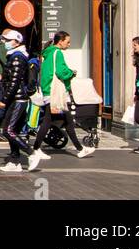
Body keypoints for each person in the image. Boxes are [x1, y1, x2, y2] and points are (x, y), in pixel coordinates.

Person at [31, 31, 95, 162]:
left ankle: (80, 149)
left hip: (49, 90)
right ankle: (36, 149)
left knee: (66, 121)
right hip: (55, 92)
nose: (69, 44)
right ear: (60, 41)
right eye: (67, 41)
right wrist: (71, 73)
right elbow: (61, 72)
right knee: (50, 121)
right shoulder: (57, 53)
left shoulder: (48, 53)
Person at [0, 31, 37, 172]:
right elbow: (13, 79)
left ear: (16, 42)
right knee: (12, 130)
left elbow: (14, 82)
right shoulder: (16, 56)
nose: (4, 42)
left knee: (8, 131)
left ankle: (32, 153)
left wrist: (4, 99)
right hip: (17, 98)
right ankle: (15, 162)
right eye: (3, 39)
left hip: (18, 99)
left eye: (7, 40)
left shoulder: (17, 57)